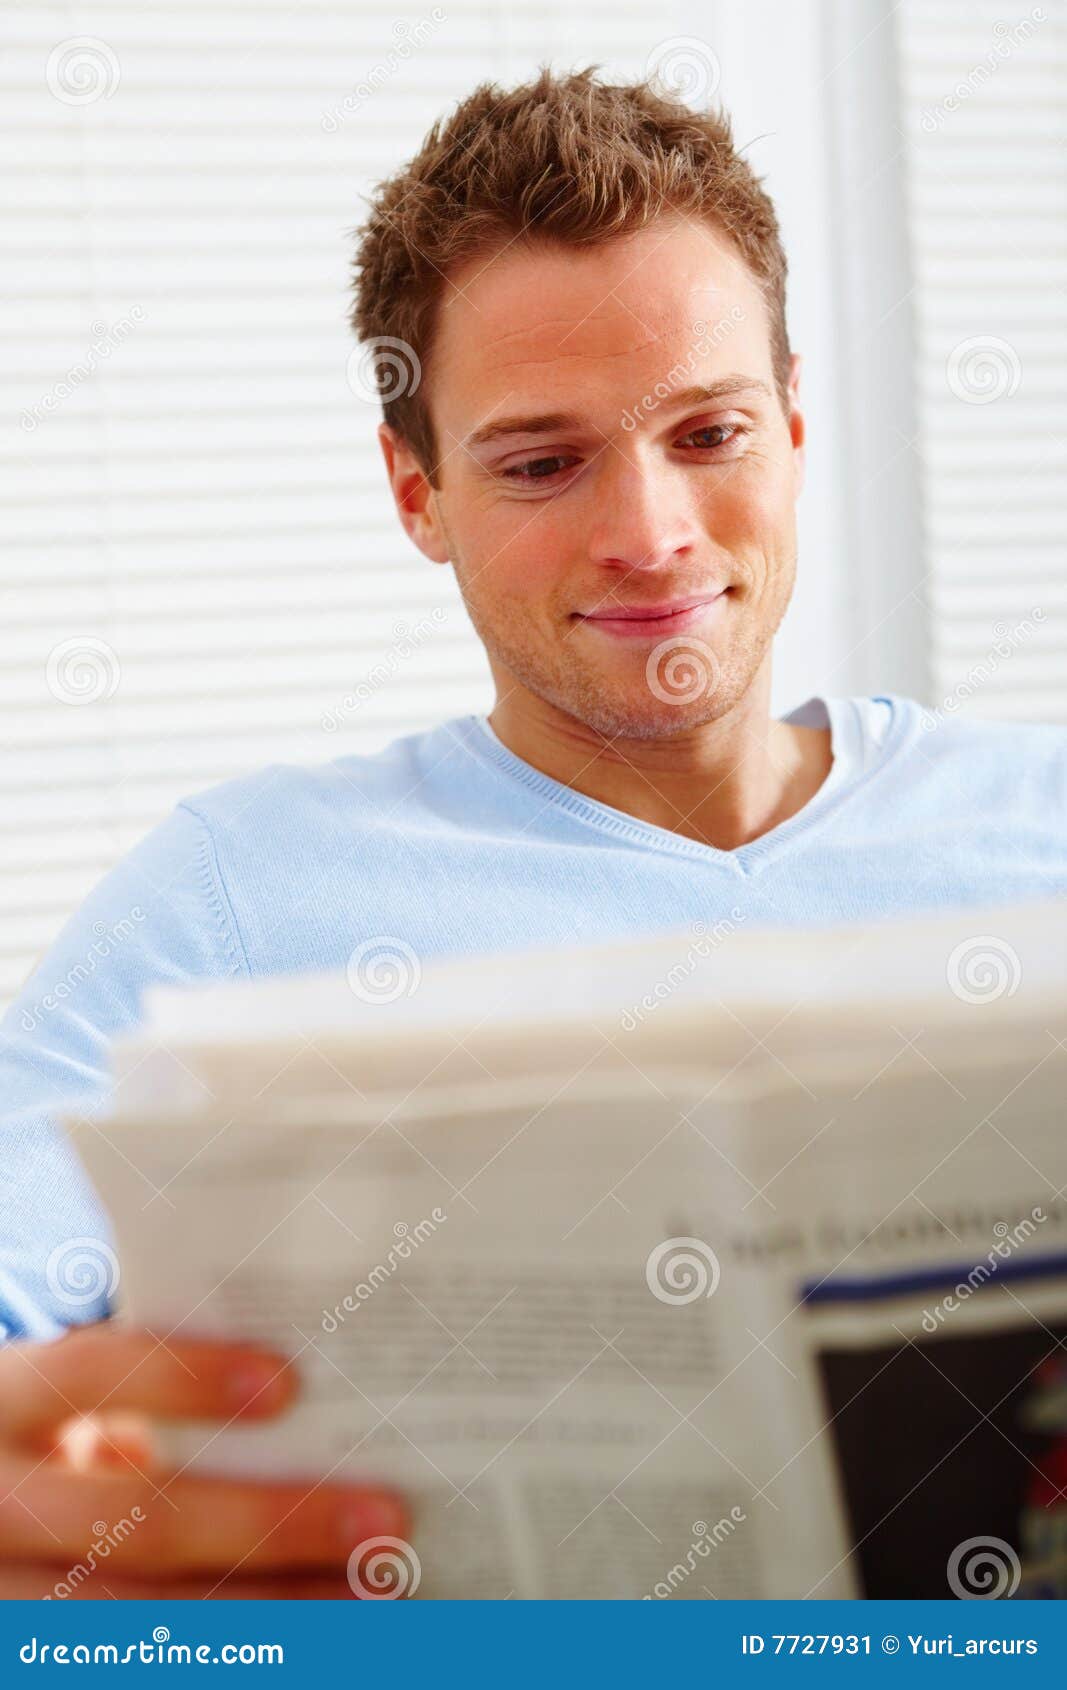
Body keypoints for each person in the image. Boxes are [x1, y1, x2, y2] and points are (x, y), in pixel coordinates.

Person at [1, 67, 1063, 1599]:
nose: (650, 531)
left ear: (796, 425)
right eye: (544, 462)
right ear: (417, 490)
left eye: (708, 430)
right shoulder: (234, 898)